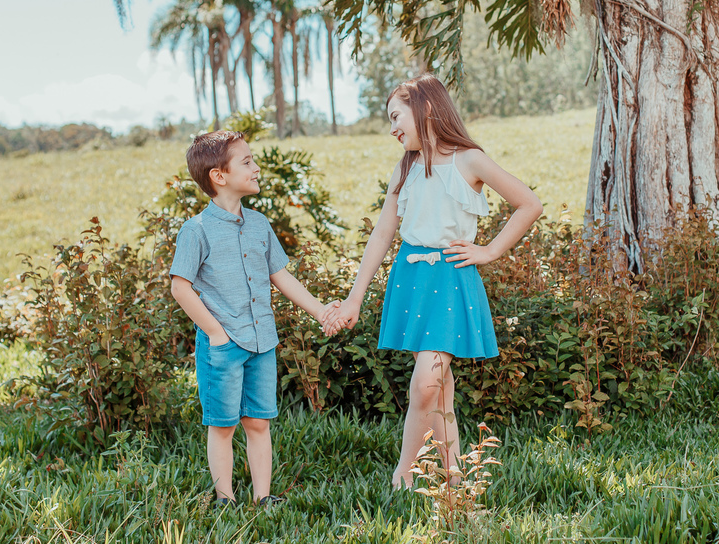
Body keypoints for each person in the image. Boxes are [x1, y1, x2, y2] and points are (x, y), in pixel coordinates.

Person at [325, 74, 542, 488]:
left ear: (424, 107)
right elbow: (383, 233)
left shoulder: (469, 159)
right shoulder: (405, 166)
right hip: (411, 278)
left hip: (450, 279)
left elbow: (529, 204)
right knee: (437, 386)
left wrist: (489, 251)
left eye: (395, 116)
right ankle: (454, 474)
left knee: (426, 382)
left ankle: (404, 473)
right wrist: (355, 298)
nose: (391, 128)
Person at [170, 130, 341, 507]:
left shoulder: (260, 224)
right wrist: (215, 333)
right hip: (223, 346)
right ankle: (225, 498)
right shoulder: (196, 231)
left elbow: (281, 277)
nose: (256, 167)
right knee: (223, 425)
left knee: (259, 422)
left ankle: (263, 497)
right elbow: (180, 288)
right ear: (219, 176)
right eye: (247, 162)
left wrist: (321, 311)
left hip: (262, 341)